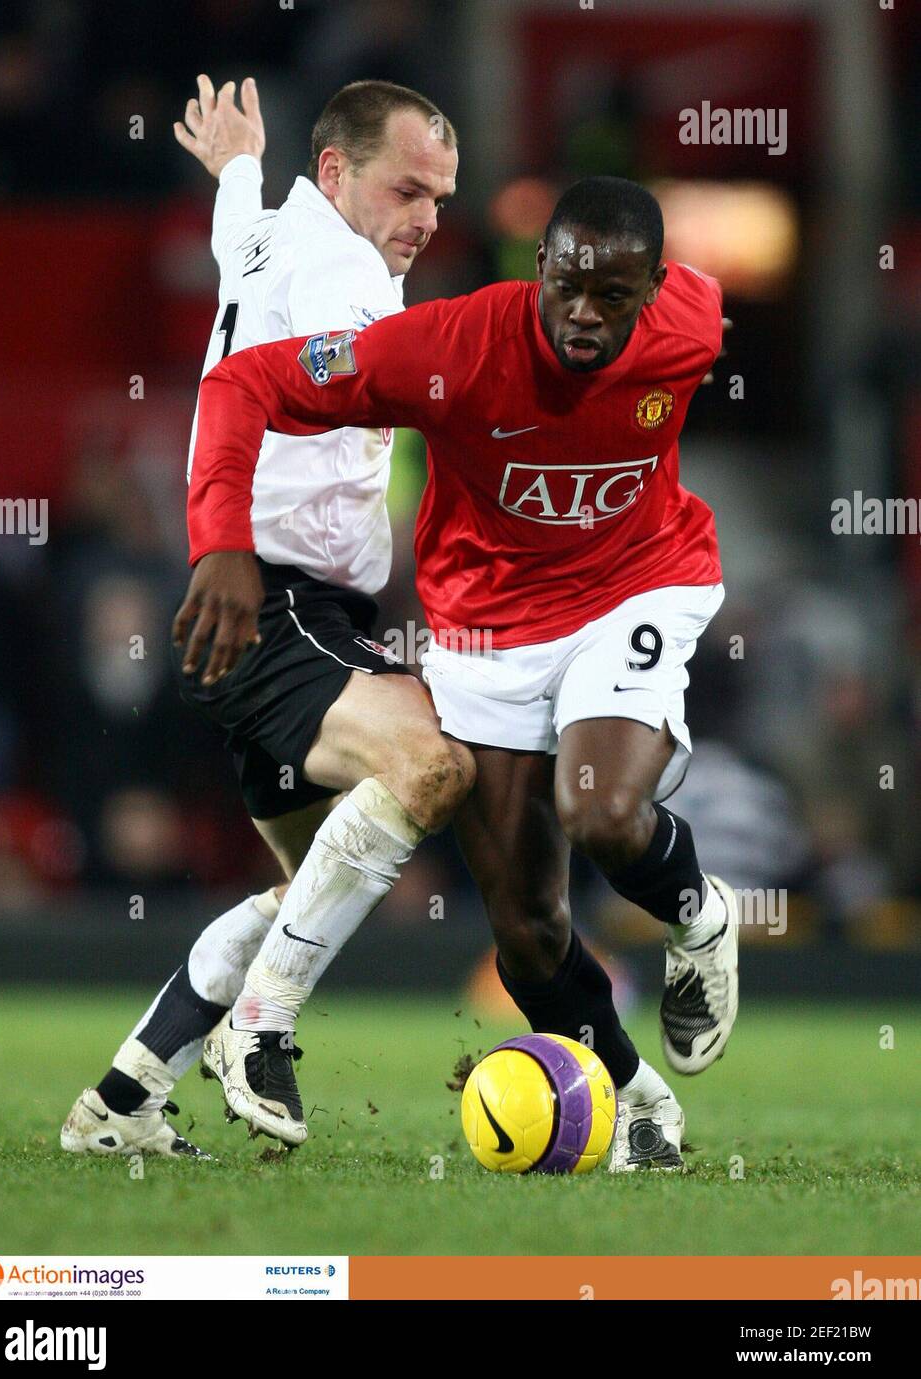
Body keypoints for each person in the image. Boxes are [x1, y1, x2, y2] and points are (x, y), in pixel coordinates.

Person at [184, 174, 740, 1173]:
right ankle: (637, 1093)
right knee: (528, 933)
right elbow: (244, 385)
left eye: (614, 295)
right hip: (489, 626)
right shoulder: (446, 348)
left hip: (638, 588)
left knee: (602, 812)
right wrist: (220, 541)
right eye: (567, 284)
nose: (584, 311)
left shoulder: (693, 323)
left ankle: (699, 915)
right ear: (539, 268)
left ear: (655, 290)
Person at [61, 73, 470, 1161]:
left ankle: (124, 1095)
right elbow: (263, 379)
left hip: (267, 610)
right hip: (275, 602)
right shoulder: (346, 274)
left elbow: (236, 221)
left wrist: (238, 159)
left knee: (311, 887)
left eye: (442, 196)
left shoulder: (271, 227)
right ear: (336, 174)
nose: (428, 219)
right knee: (431, 767)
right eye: (409, 189)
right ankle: (261, 1029)